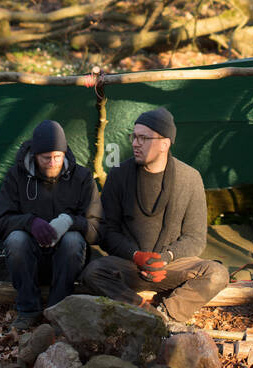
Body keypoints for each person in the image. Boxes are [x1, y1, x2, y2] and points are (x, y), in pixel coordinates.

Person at [79, 106, 229, 328]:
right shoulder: (118, 176)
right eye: (134, 136)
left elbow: (195, 238)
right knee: (93, 272)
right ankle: (142, 312)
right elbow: (107, 231)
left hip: (171, 266)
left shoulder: (190, 178)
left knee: (217, 274)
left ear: (164, 143)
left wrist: (166, 257)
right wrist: (135, 255)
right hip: (130, 264)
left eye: (143, 138)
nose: (135, 143)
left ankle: (167, 315)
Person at [0, 119, 102, 330]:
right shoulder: (16, 177)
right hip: (29, 258)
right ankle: (28, 310)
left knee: (73, 240)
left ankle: (59, 308)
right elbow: (0, 223)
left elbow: (97, 228)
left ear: (64, 153)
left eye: (58, 157)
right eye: (46, 158)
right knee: (15, 240)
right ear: (35, 155)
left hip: (68, 261)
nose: (52, 162)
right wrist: (29, 222)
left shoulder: (82, 178)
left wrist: (70, 221)